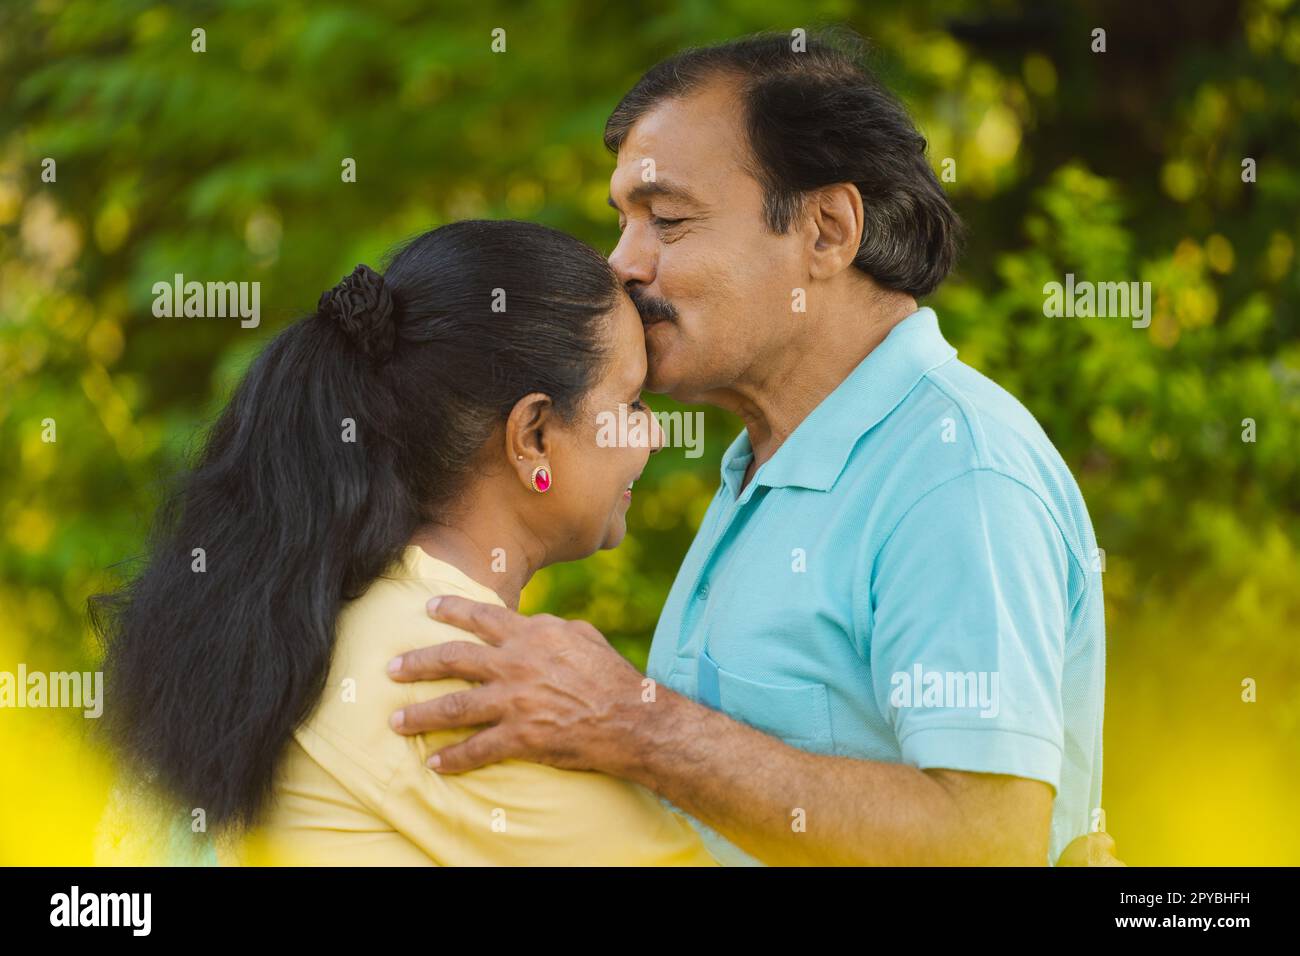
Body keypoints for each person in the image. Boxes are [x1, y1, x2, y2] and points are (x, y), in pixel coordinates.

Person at [387, 32, 1114, 866]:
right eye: (622, 222)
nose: (621, 264)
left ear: (827, 231)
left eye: (666, 219)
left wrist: (637, 722)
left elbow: (988, 842)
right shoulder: (762, 466)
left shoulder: (955, 471)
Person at [92, 220, 716, 865]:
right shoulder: (454, 673)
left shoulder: (329, 605)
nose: (657, 437)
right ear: (531, 435)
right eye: (633, 403)